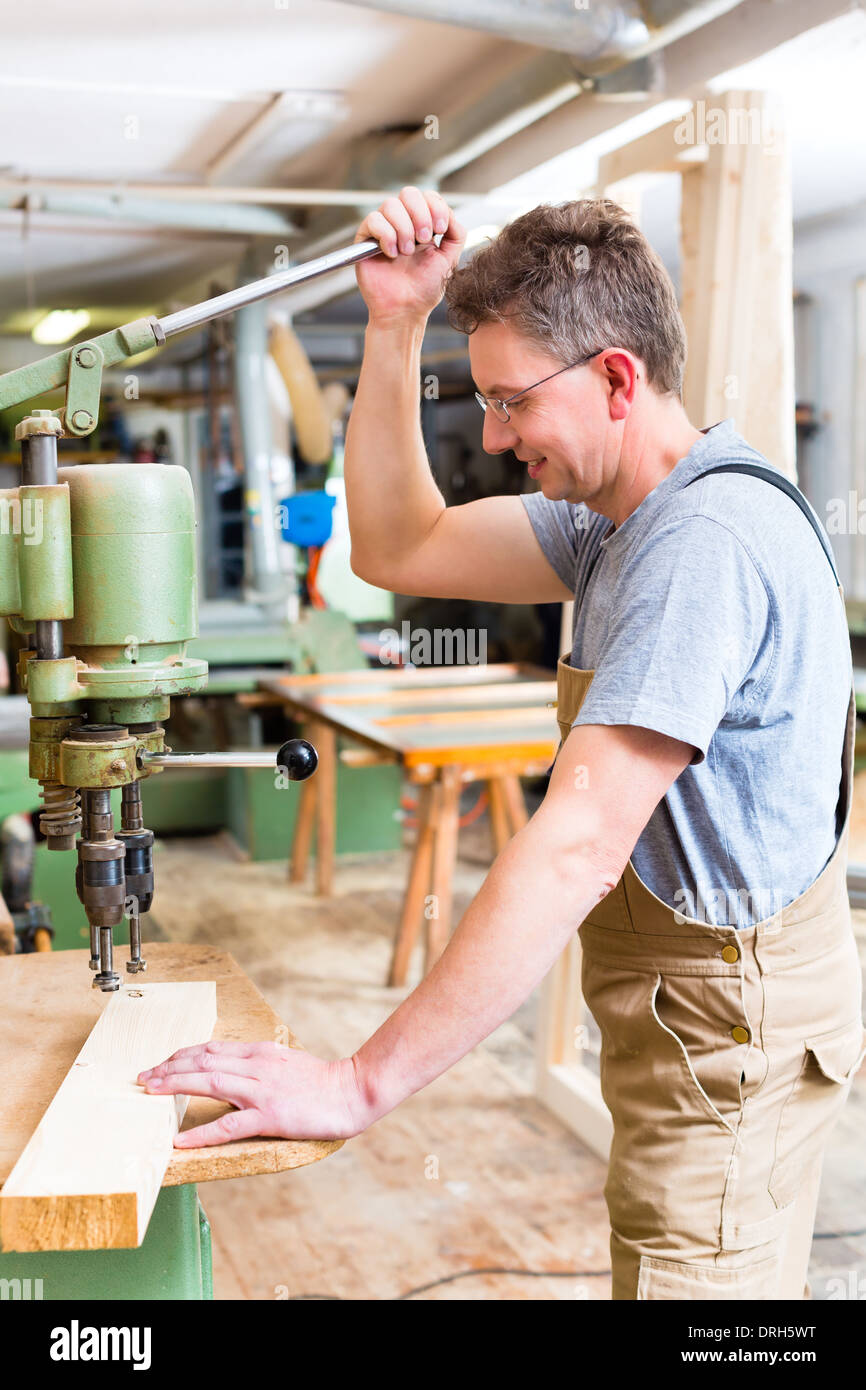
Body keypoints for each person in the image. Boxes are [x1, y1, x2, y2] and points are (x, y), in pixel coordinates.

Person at [140, 188, 866, 1300]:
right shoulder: (616, 525)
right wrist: (395, 325)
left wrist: (357, 1083)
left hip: (730, 1040)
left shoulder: (698, 545)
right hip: (687, 1022)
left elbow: (573, 845)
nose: (488, 435)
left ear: (616, 378)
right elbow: (397, 541)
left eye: (509, 401)